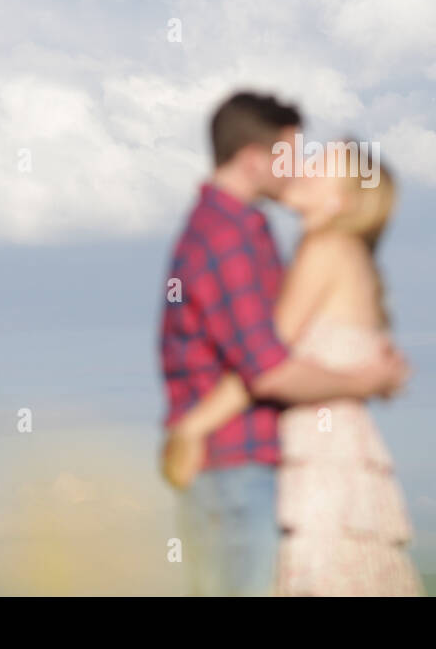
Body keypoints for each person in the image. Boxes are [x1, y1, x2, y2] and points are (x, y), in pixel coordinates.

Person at [159, 91, 409, 596]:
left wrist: (191, 427)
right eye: (298, 154)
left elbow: (266, 367)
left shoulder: (318, 250)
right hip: (323, 451)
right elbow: (274, 363)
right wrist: (369, 380)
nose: (301, 166)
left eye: (316, 164)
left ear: (341, 199)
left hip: (314, 455)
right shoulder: (327, 252)